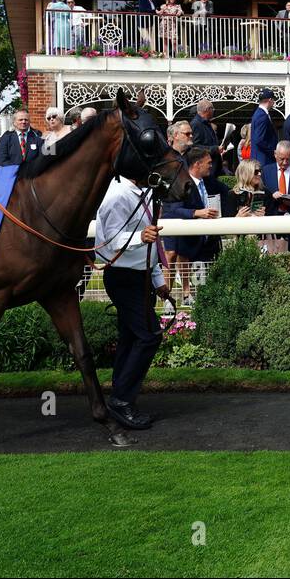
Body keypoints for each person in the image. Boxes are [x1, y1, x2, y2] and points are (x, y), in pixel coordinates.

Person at [94, 171, 173, 432]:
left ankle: (120, 394)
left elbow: (150, 238)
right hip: (124, 277)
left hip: (141, 276)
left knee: (130, 337)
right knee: (149, 335)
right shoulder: (117, 196)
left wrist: (157, 278)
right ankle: (122, 399)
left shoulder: (144, 192)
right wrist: (139, 237)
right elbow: (110, 239)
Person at [162, 146, 229, 304]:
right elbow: (173, 209)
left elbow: (229, 193)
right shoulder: (180, 183)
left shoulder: (210, 182)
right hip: (180, 232)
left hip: (205, 237)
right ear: (197, 164)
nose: (211, 166)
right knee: (173, 257)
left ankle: (191, 295)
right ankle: (168, 298)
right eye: (208, 163)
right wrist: (196, 213)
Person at [249, 89, 279, 168]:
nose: (273, 102)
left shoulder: (259, 113)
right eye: (273, 100)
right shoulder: (262, 115)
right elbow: (259, 139)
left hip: (260, 158)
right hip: (263, 160)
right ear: (270, 100)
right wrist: (273, 151)